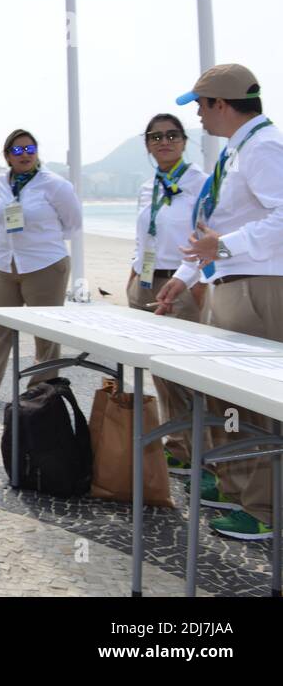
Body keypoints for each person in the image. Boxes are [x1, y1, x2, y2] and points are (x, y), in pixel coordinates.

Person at [156, 64, 281, 542]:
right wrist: (185, 277)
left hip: (257, 287)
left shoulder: (264, 149)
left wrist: (223, 249)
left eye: (201, 106)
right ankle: (240, 494)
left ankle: (265, 509)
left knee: (256, 406)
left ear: (221, 105)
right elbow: (213, 230)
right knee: (230, 399)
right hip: (230, 284)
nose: (199, 118)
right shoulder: (238, 150)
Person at [0, 129, 82, 402]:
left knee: (45, 333)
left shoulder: (56, 184)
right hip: (4, 263)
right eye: (18, 150)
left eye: (30, 149)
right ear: (7, 156)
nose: (25, 155)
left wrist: (39, 241)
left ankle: (40, 389)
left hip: (45, 264)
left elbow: (73, 224)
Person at [126, 113, 208, 477]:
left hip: (184, 284)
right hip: (147, 281)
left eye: (172, 135)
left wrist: (199, 283)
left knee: (186, 372)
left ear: (184, 141)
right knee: (160, 371)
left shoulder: (201, 183)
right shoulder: (149, 186)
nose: (164, 141)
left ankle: (203, 454)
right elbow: (143, 237)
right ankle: (177, 445)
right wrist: (132, 276)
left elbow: (207, 236)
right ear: (147, 145)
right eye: (156, 137)